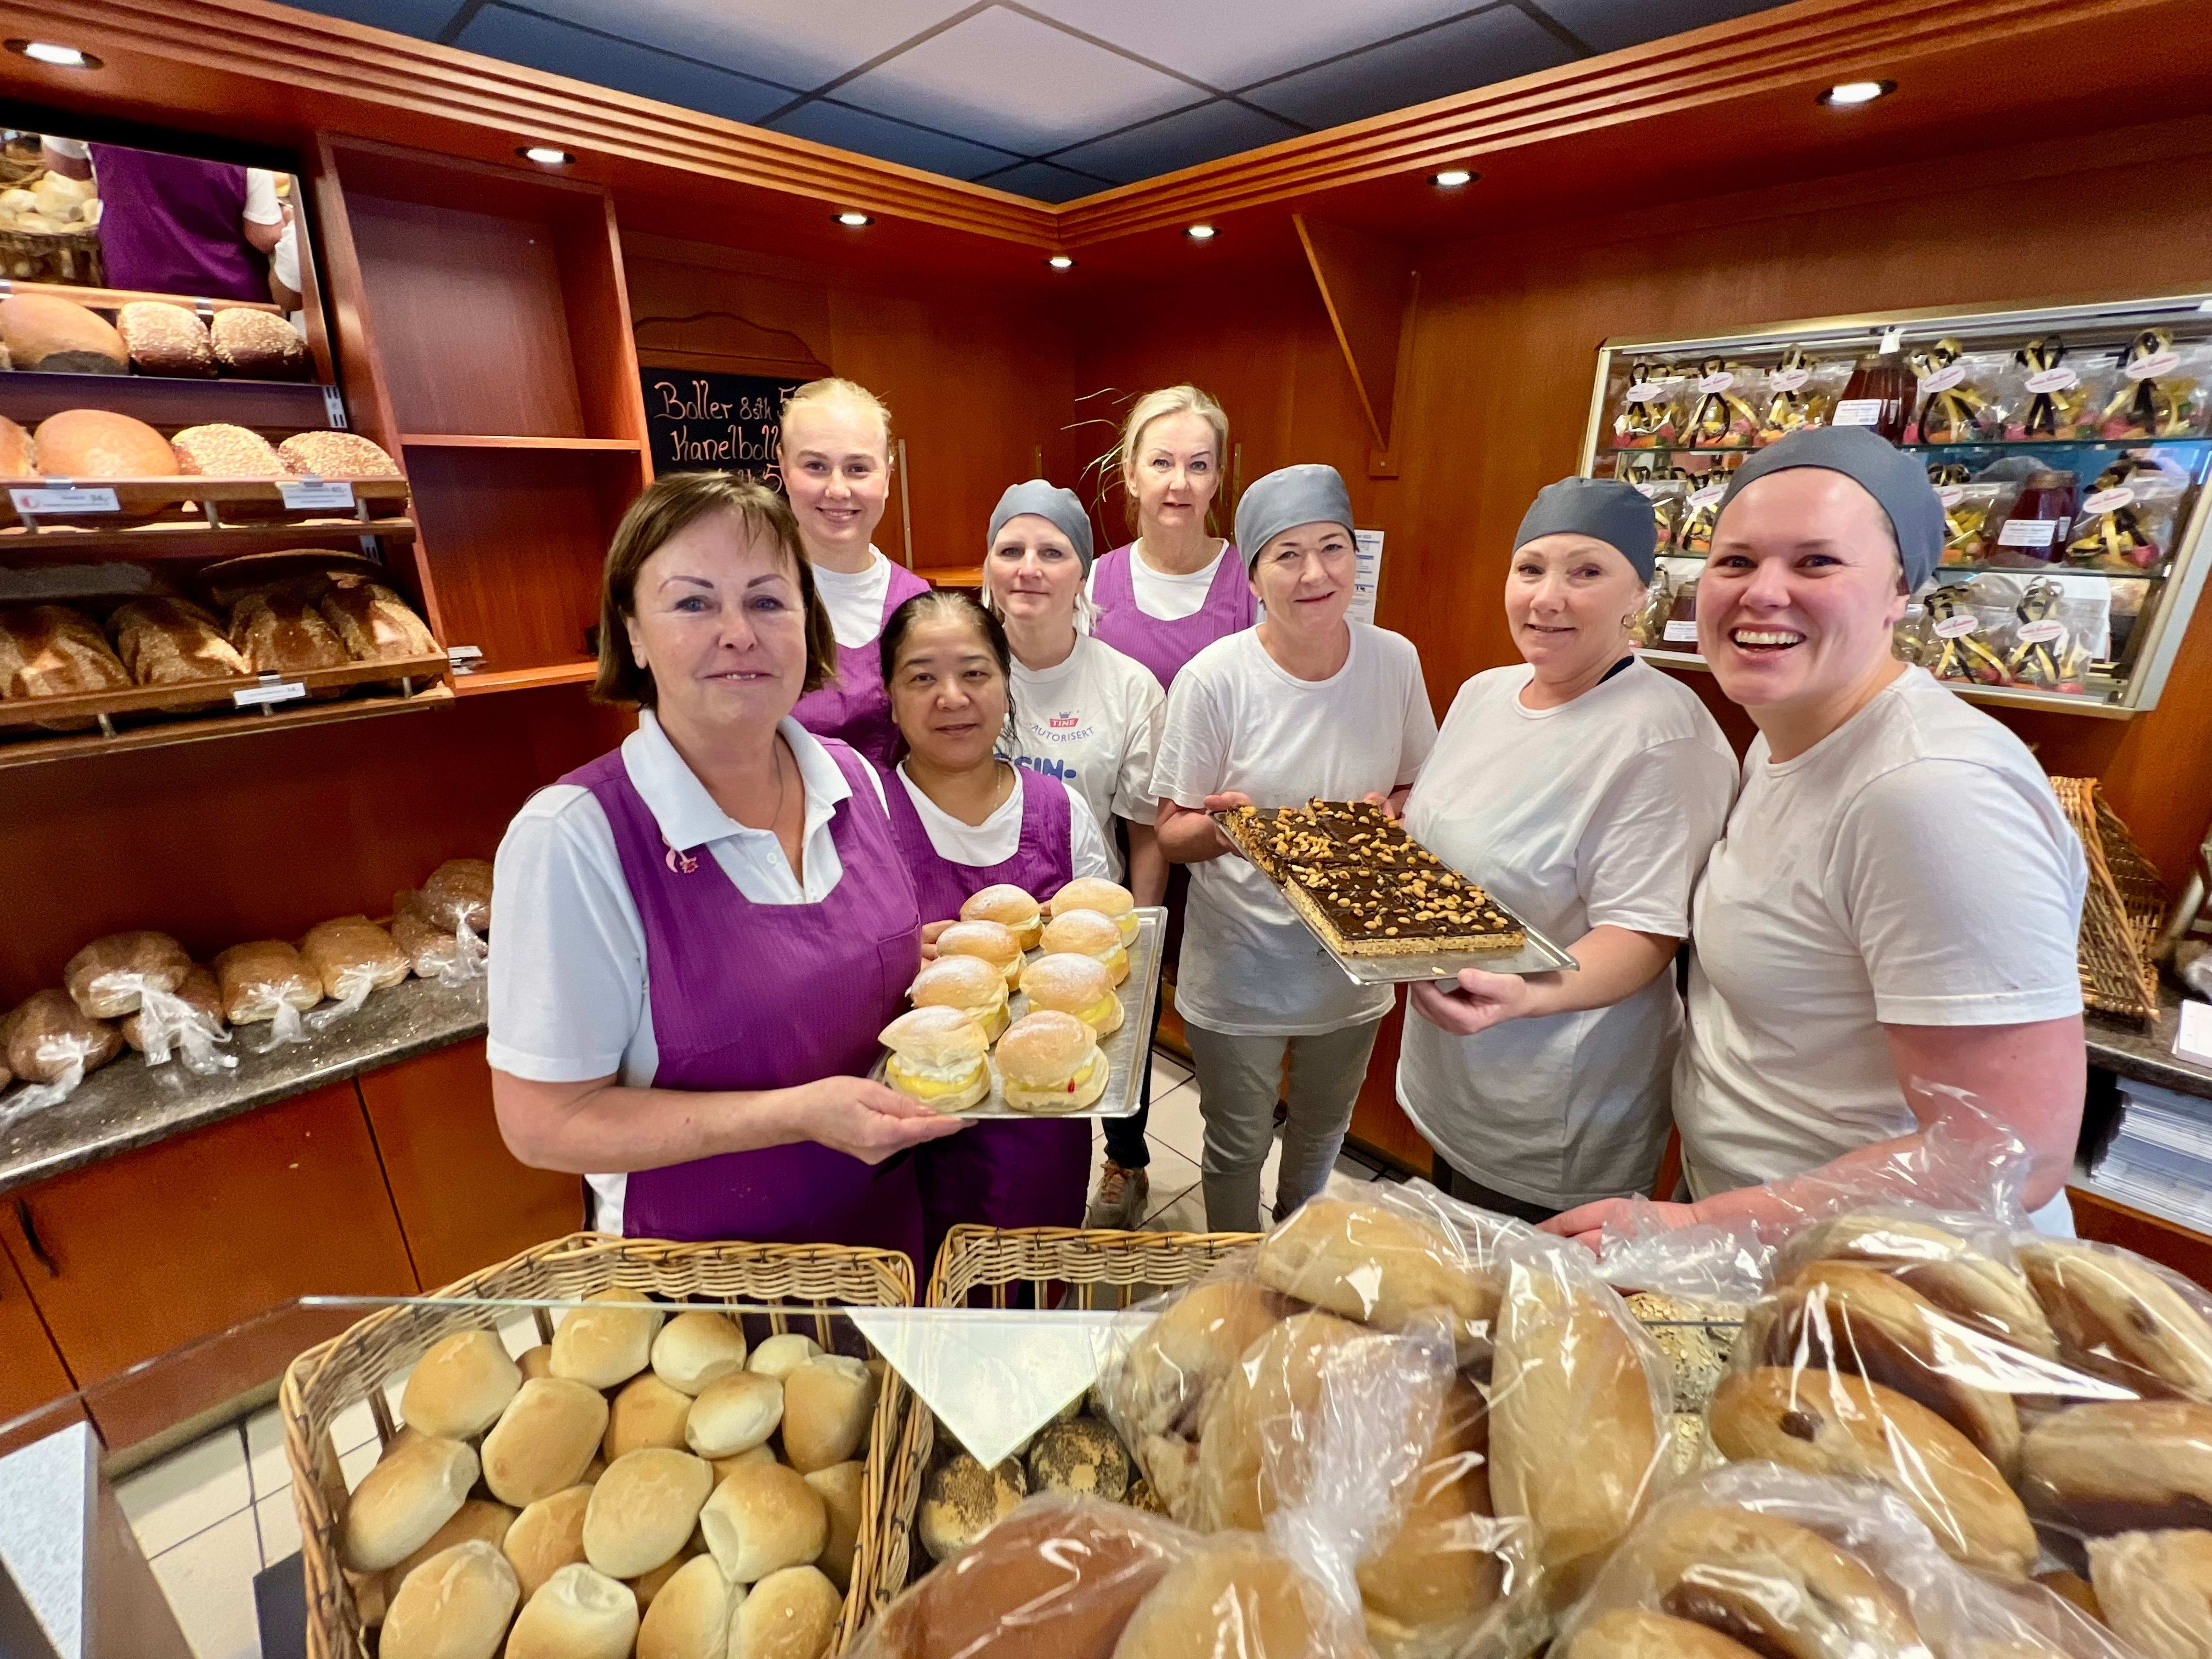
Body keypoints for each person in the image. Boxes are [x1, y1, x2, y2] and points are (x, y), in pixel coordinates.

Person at [1544, 427, 2089, 1248]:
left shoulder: (1929, 792)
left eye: (1816, 563)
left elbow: (2003, 1158)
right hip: (1767, 1233)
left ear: (1900, 589)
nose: (1763, 593)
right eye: (1736, 561)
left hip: (1889, 1274)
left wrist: (1698, 1226)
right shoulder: (1784, 734)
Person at [486, 471, 962, 1261]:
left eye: (769, 601)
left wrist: (913, 955)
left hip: (881, 1241)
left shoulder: (852, 780)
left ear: (807, 624)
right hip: (705, 1282)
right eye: (694, 602)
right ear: (633, 631)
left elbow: (810, 975)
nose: (739, 632)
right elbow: (545, 1125)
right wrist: (793, 1116)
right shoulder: (575, 838)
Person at [1398, 478, 1737, 1223]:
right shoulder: (1486, 693)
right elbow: (1455, 831)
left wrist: (1528, 995)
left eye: (1586, 572)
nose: (1547, 597)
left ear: (1637, 595)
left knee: (1519, 1319)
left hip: (1554, 1100)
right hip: (1450, 1066)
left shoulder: (1662, 738)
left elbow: (1644, 935)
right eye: (1531, 568)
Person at [1153, 464, 1437, 1232]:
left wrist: (1396, 815)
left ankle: (1302, 1259)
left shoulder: (1395, 661)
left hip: (1351, 965)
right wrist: (1223, 830)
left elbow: (1416, 786)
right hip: (1243, 966)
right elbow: (1171, 833)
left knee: (1321, 1133)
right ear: (1254, 577)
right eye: (1286, 554)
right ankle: (1237, 1284)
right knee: (1238, 1143)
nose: (1314, 573)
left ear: (1356, 558)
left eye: (1332, 548)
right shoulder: (1214, 681)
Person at [879, 586, 1109, 1261]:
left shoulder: (1061, 810)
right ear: (891, 697)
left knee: (1038, 1295)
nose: (952, 697)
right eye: (922, 677)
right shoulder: (860, 819)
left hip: (1044, 1117)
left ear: (1008, 687)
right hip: (903, 1140)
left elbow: (1100, 964)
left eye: (976, 673)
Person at [1084, 385, 1252, 1224]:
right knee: (1128, 1002)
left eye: (1198, 463)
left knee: (1222, 1008)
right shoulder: (1098, 582)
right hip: (1127, 836)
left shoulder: (1249, 580)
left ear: (1220, 477)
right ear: (1130, 475)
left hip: (1222, 834)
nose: (1179, 482)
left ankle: (1233, 1158)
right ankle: (1126, 1155)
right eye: (1162, 462)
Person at [986, 479, 1167, 900]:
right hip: (976, 912)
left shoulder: (1130, 689)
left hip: (1087, 916)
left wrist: (1140, 935)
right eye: (1011, 551)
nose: (1028, 569)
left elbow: (1146, 834)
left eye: (1052, 553)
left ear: (1083, 575)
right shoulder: (955, 679)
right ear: (990, 566)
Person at [780, 378, 929, 769]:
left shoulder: (917, 602)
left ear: (888, 476)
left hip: (899, 826)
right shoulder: (746, 599)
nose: (837, 489)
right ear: (783, 467)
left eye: (858, 468)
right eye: (815, 466)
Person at [41, 138, 284, 302]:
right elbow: (265, 237)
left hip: (137, 290)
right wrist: (287, 216)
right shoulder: (243, 131)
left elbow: (62, 163)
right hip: (230, 297)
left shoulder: (93, 98)